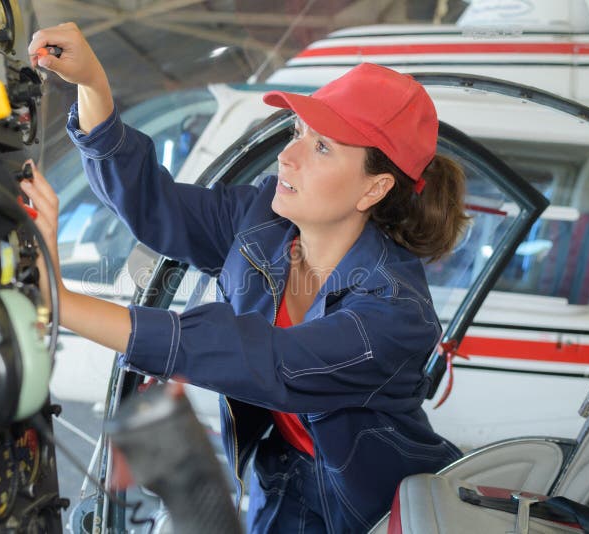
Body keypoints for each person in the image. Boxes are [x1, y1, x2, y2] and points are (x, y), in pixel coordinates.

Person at [25, 22, 469, 533]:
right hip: (280, 474)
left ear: (374, 189)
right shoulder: (263, 220)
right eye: (298, 132)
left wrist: (62, 301)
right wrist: (93, 84)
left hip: (374, 510)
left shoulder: (397, 313)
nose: (288, 154)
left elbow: (269, 361)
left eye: (323, 147)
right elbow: (156, 205)